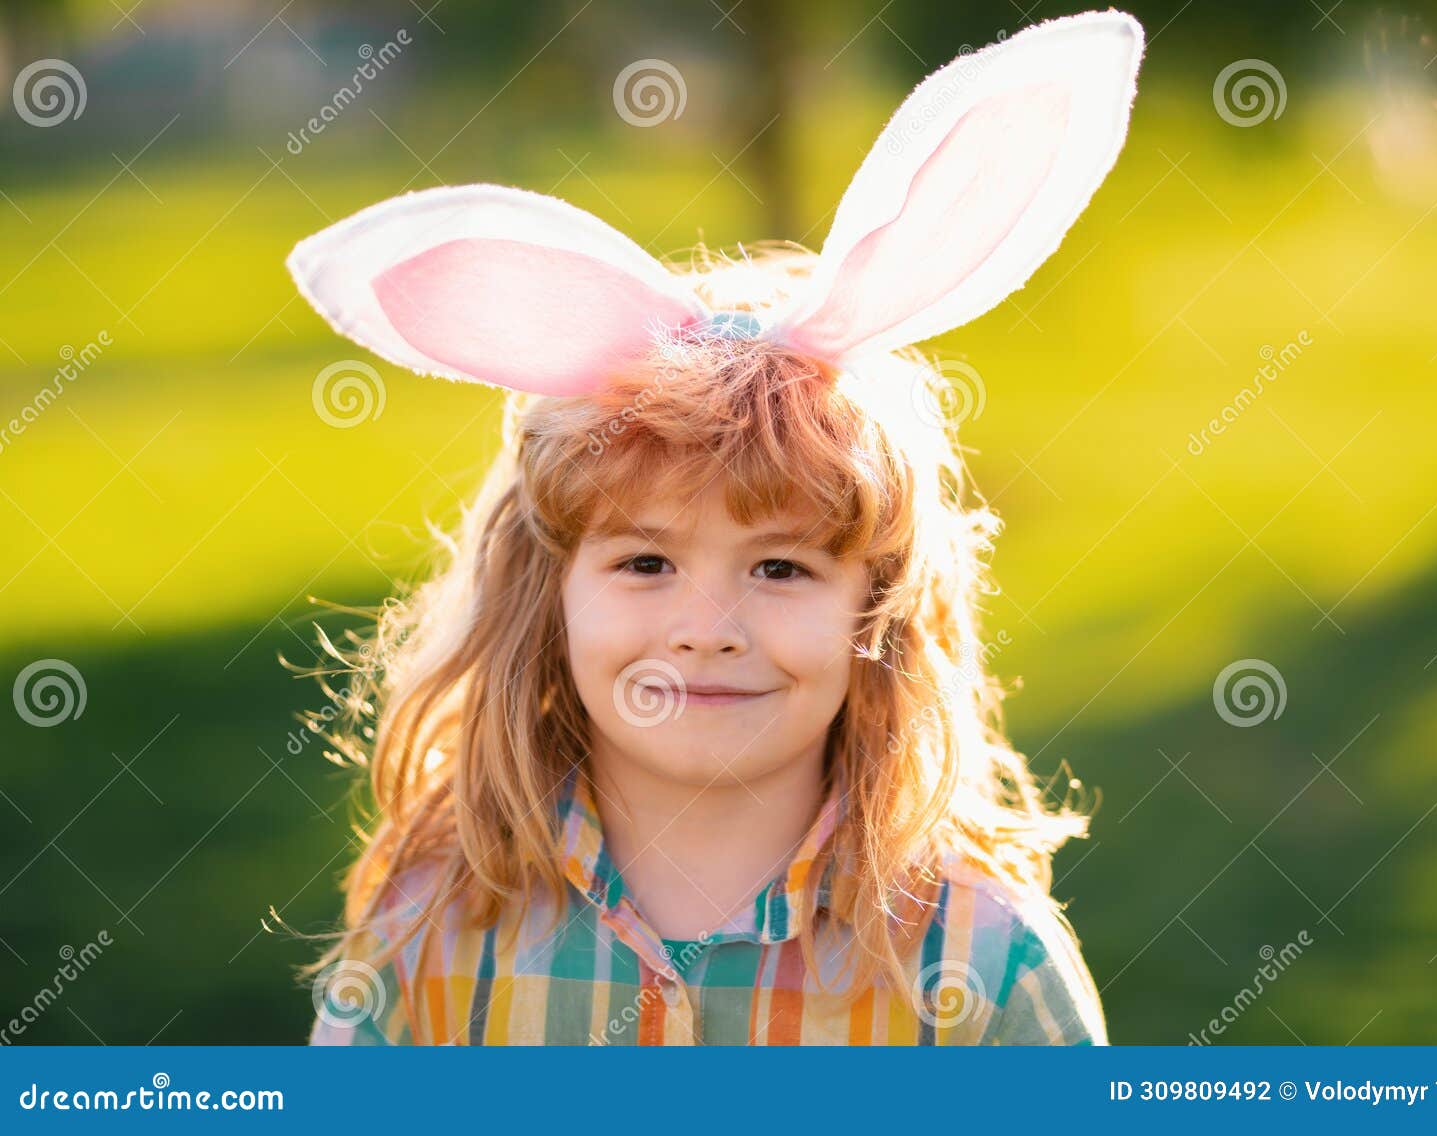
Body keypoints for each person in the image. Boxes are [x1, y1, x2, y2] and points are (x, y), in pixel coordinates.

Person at [288, 9, 1143, 1045]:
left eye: (780, 567)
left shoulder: (981, 963)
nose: (707, 628)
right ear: (548, 592)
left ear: (877, 610)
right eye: (645, 560)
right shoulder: (433, 931)